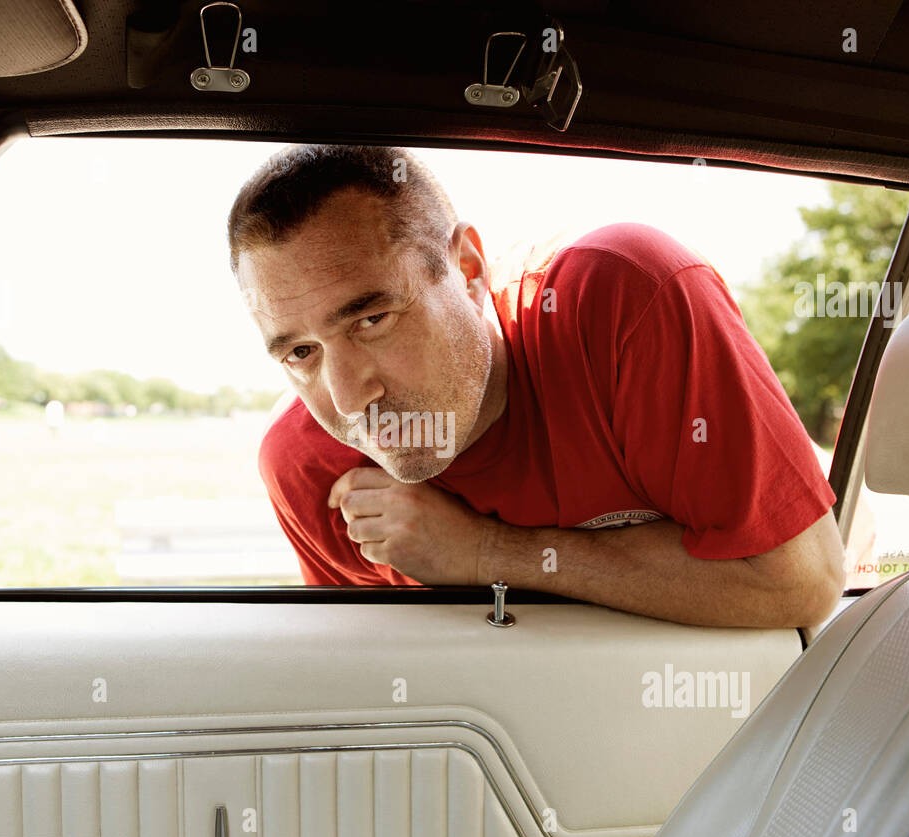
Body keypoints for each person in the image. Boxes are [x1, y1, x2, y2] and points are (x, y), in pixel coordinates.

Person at [229, 145, 845, 628]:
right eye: (300, 352)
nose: (346, 398)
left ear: (468, 270)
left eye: (371, 320)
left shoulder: (620, 300)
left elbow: (800, 581)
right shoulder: (308, 465)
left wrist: (483, 554)